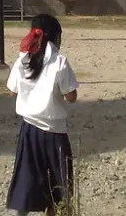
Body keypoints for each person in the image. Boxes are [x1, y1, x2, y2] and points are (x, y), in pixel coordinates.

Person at [6, 13, 78, 215]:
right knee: (59, 184)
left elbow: (11, 90)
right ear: (56, 37)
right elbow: (70, 96)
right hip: (54, 133)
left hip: (28, 131)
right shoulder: (59, 62)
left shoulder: (23, 59)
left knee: (27, 179)